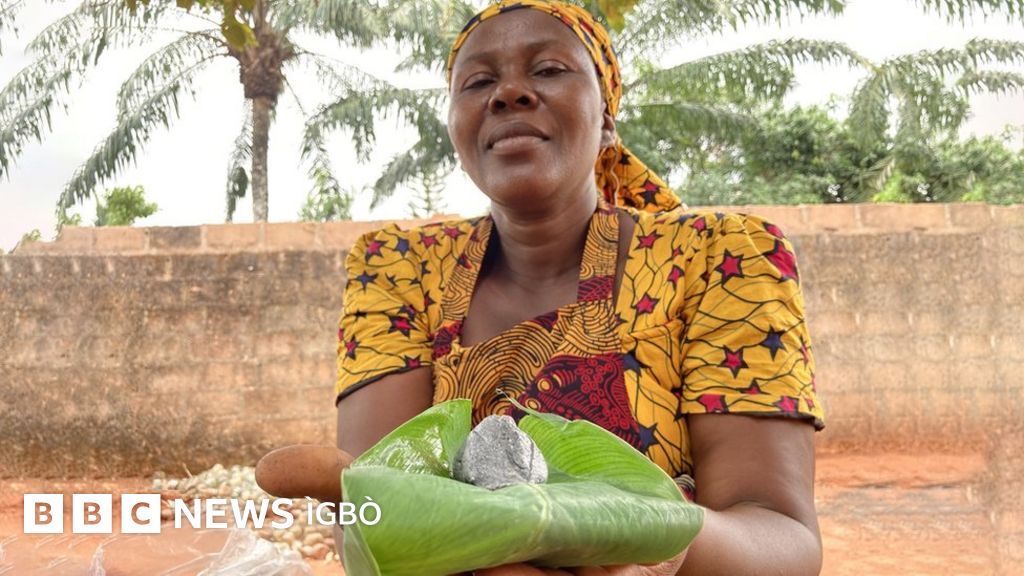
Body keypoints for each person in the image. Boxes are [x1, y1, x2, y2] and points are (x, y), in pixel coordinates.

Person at [258, 1, 825, 574]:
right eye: (478, 82)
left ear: (606, 119)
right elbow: (371, 512)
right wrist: (390, 510)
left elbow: (781, 536)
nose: (508, 93)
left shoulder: (716, 257)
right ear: (455, 127)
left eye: (549, 69)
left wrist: (650, 542)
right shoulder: (399, 269)